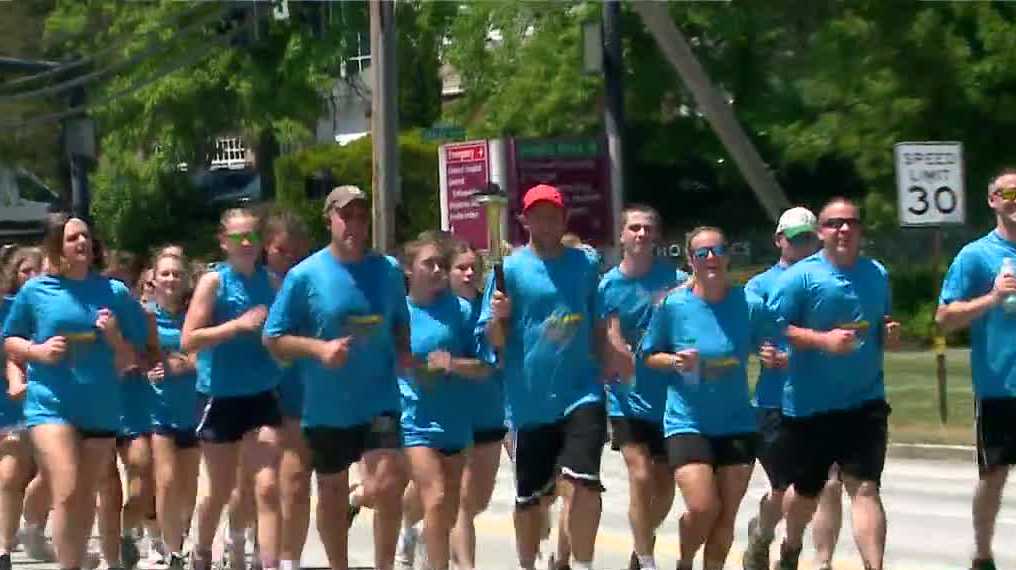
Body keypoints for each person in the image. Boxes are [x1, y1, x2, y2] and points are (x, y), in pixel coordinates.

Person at [263, 185, 410, 570]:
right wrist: (319, 350)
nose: (356, 224)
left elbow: (399, 324)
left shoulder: (389, 271)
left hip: (379, 398)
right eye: (347, 215)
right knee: (330, 492)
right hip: (327, 405)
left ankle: (385, 565)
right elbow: (273, 339)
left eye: (363, 216)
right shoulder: (304, 276)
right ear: (329, 219)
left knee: (389, 483)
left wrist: (406, 355)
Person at [478, 184, 611, 570]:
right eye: (538, 214)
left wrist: (608, 364)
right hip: (530, 398)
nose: (547, 221)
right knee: (529, 500)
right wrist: (500, 319)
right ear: (524, 220)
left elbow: (597, 319)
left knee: (583, 483)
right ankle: (527, 563)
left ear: (564, 218)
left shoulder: (584, 263)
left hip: (582, 391)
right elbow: (494, 341)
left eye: (553, 214)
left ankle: (581, 564)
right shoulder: (510, 271)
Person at [3, 215, 145, 570]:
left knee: (83, 496)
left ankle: (74, 559)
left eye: (85, 236)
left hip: (100, 406)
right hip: (50, 403)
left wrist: (113, 336)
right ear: (58, 247)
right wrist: (37, 352)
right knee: (65, 488)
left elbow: (132, 357)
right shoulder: (37, 291)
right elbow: (11, 339)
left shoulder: (114, 293)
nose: (81, 242)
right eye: (72, 238)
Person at [768, 197, 902, 570]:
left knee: (865, 487)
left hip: (865, 400)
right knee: (807, 491)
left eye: (851, 223)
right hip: (812, 405)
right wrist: (822, 340)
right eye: (834, 224)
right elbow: (773, 326)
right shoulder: (800, 278)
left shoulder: (876, 273)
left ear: (860, 230)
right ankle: (791, 544)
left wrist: (889, 335)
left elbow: (882, 321)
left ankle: (874, 566)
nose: (843, 230)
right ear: (820, 232)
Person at [643, 226, 781, 570]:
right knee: (704, 507)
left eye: (717, 250)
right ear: (691, 261)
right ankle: (685, 560)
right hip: (687, 421)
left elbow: (777, 338)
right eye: (702, 253)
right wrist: (675, 361)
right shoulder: (673, 305)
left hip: (736, 422)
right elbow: (649, 355)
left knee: (725, 517)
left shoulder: (748, 303)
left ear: (727, 255)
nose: (711, 258)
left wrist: (774, 355)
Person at [742, 207, 845, 570]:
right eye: (795, 238)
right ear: (778, 241)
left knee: (829, 482)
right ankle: (763, 534)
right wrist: (763, 352)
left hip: (823, 399)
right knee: (784, 489)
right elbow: (743, 335)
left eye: (808, 238)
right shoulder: (759, 286)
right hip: (776, 401)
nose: (802, 245)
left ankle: (814, 558)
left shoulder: (832, 280)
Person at [182, 208, 283, 570]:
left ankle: (268, 562)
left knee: (268, 486)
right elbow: (189, 339)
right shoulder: (215, 282)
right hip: (221, 395)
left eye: (251, 235)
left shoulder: (271, 282)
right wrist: (236, 326)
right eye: (237, 236)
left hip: (262, 393)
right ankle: (202, 550)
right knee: (221, 490)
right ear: (223, 242)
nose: (245, 243)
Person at [393, 233, 492, 570]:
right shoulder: (397, 313)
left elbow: (483, 367)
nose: (437, 270)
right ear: (409, 269)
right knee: (434, 496)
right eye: (428, 264)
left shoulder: (461, 311)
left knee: (448, 509)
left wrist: (453, 364)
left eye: (441, 264)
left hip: (456, 423)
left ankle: (427, 549)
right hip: (414, 423)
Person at [597, 205, 687, 570]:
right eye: (634, 228)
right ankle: (648, 561)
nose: (641, 234)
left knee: (665, 486)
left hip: (669, 399)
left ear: (657, 236)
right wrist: (615, 352)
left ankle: (639, 547)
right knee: (641, 474)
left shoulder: (678, 279)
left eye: (648, 228)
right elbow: (607, 337)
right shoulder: (608, 285)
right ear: (621, 235)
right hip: (625, 397)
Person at [935, 168, 1016, 570]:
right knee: (995, 475)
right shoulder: (975, 255)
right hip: (1000, 386)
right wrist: (992, 297)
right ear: (993, 200)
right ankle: (982, 555)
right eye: (1008, 192)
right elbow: (944, 317)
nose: (1015, 198)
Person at [446, 240, 507, 570]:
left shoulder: (490, 305)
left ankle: (413, 527)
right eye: (461, 267)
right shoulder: (440, 310)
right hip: (453, 416)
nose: (469, 273)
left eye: (475, 267)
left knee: (479, 498)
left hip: (490, 411)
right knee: (462, 503)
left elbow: (497, 352)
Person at [146, 249, 200, 570]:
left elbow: (202, 355)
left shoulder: (195, 315)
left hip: (192, 410)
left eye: (176, 274)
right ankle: (172, 550)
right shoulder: (144, 316)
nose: (170, 279)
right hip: (157, 410)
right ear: (153, 278)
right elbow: (135, 355)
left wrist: (184, 365)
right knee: (165, 481)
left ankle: (182, 533)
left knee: (189, 486)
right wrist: (146, 368)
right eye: (164, 273)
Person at [265, 210, 312, 570]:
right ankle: (250, 541)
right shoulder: (254, 283)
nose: (289, 259)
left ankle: (288, 559)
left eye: (296, 252)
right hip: (256, 393)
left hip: (300, 392)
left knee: (295, 483)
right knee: (261, 486)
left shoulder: (309, 283)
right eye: (282, 251)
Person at [0, 247, 45, 570]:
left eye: (37, 271)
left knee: (11, 474)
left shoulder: (49, 307)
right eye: (24, 271)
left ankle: (5, 546)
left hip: (26, 402)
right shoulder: (7, 308)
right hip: (6, 394)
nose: (30, 277)